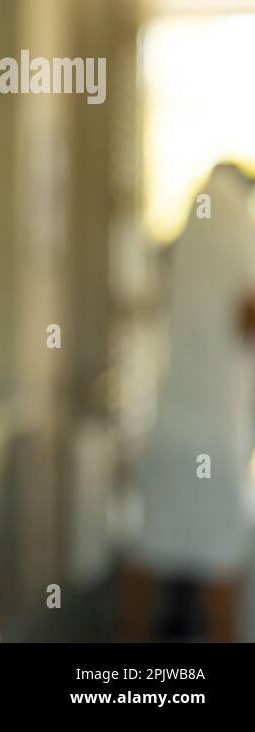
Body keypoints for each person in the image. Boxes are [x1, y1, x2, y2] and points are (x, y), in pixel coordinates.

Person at [121, 162, 255, 642]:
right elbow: (246, 319)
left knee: (151, 552)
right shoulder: (235, 227)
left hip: (170, 427)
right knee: (220, 563)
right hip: (213, 437)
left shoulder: (191, 233)